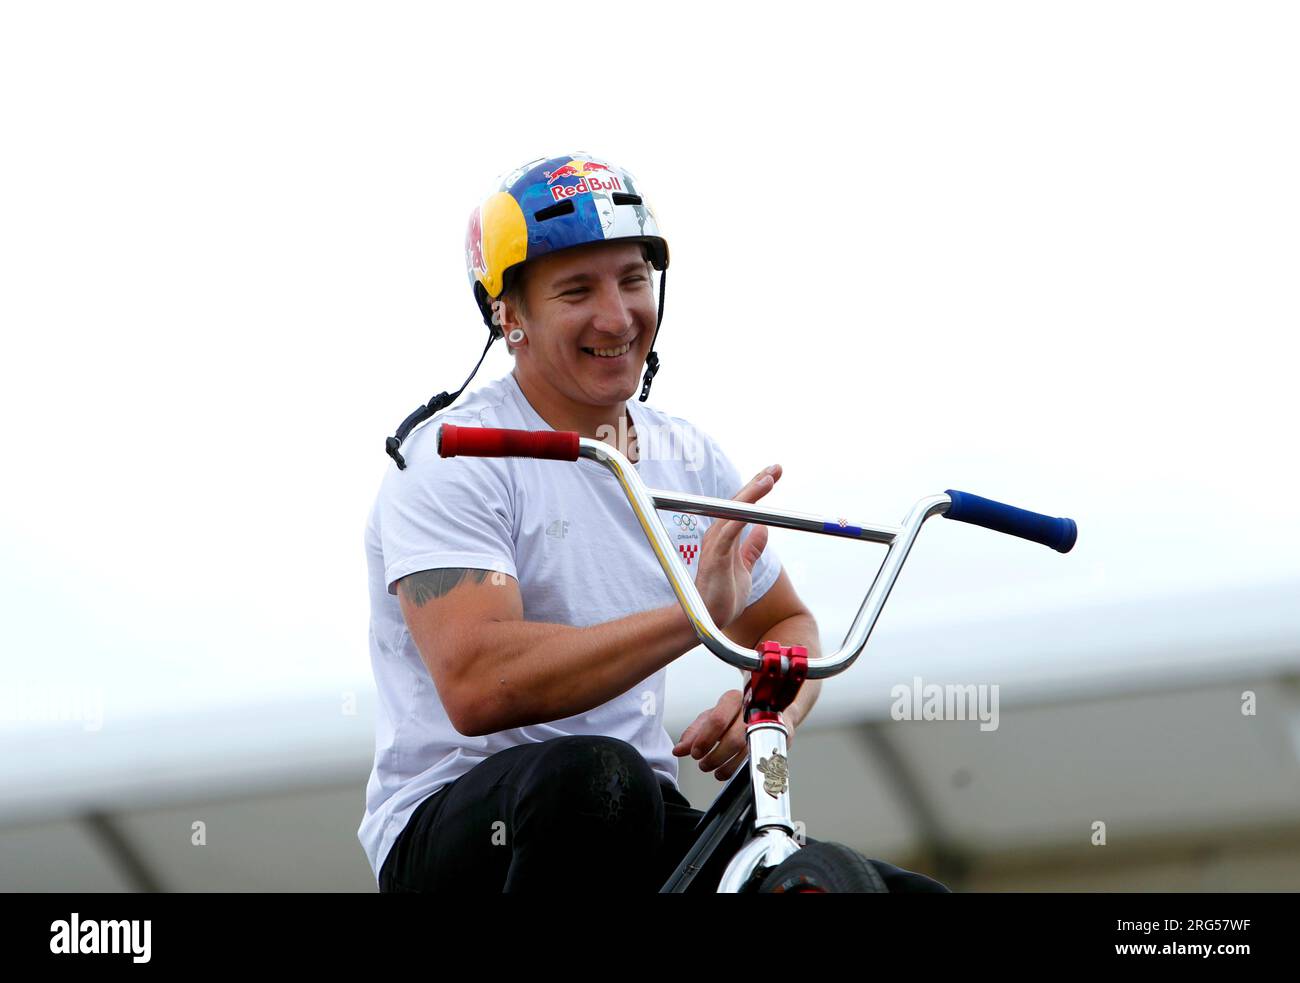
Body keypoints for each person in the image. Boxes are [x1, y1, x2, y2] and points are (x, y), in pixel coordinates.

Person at [361, 152, 949, 893]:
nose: (617, 316)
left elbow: (787, 624)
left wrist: (769, 704)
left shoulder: (685, 456)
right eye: (578, 290)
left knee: (899, 893)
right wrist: (695, 614)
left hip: (627, 812)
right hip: (466, 826)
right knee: (600, 780)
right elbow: (480, 682)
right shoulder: (453, 455)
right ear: (508, 315)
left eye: (634, 280)